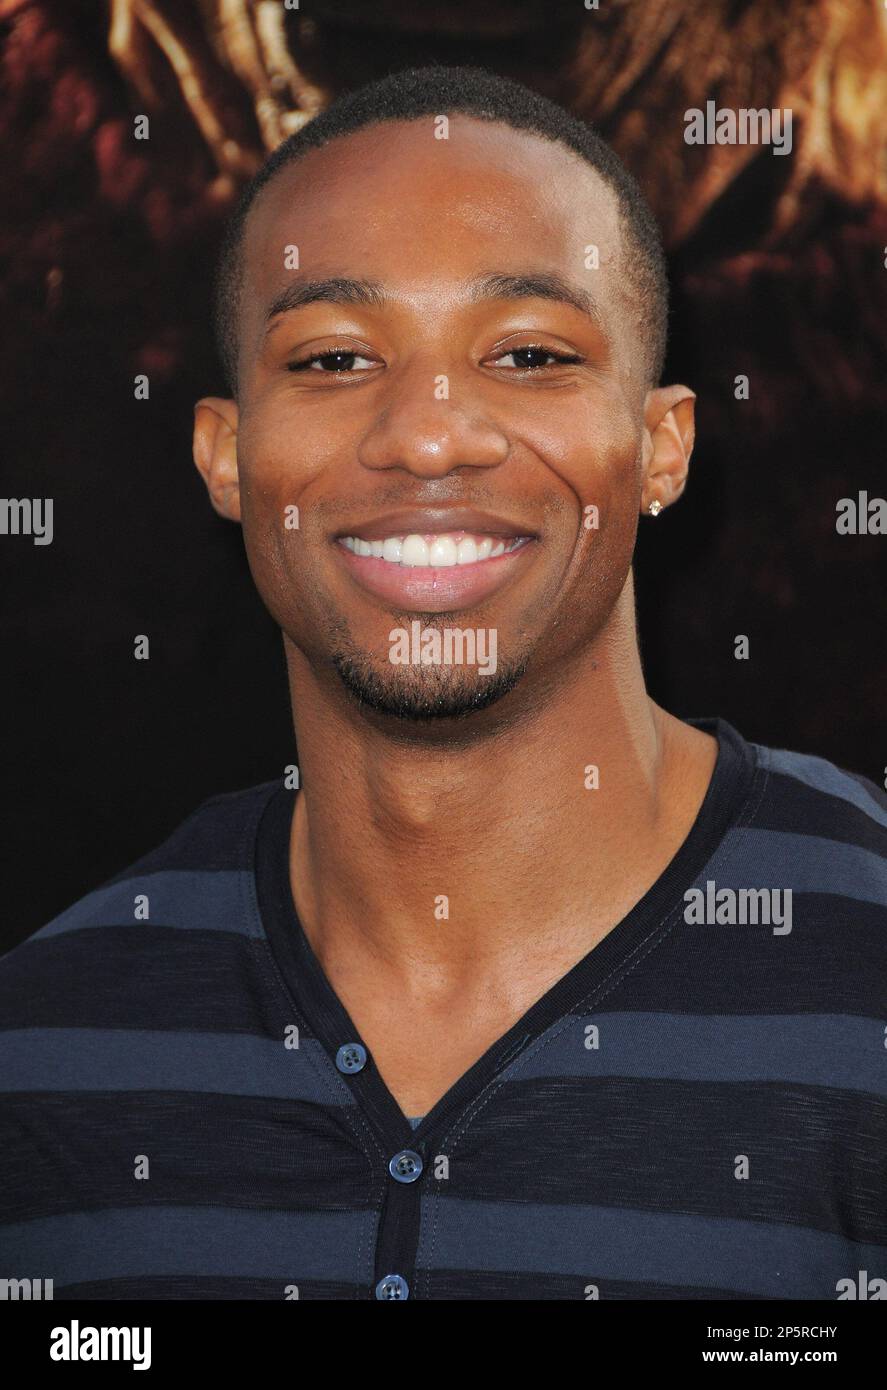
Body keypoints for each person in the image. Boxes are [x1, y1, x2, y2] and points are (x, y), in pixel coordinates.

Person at [1, 66, 884, 1302]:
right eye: (332, 358)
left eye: (526, 353)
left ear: (660, 447)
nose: (427, 433)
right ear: (227, 455)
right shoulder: (47, 1042)